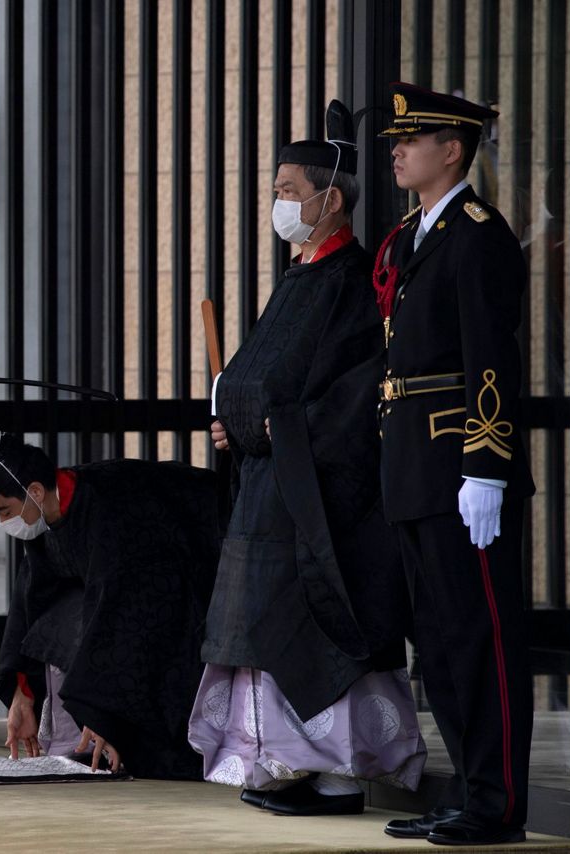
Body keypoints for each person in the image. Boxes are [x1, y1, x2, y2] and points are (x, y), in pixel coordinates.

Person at [188, 101, 424, 817]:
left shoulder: (350, 283)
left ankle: (339, 775)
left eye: (289, 190)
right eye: (277, 191)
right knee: (264, 627)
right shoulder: (298, 276)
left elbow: (347, 399)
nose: (279, 203)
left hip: (319, 498)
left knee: (317, 623)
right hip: (270, 489)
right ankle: (284, 766)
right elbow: (259, 377)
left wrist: (263, 424)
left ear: (331, 198)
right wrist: (235, 424)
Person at [373, 82, 535, 846]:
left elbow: (489, 359)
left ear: (453, 150)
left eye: (412, 140)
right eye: (396, 143)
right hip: (412, 465)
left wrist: (488, 465)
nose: (398, 151)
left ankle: (496, 804)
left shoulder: (477, 235)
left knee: (480, 639)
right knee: (436, 646)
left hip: (460, 469)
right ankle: (467, 792)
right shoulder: (413, 236)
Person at [0, 427, 220, 780]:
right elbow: (30, 600)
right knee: (55, 622)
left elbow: (120, 608)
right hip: (130, 589)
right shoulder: (42, 518)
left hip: (191, 564)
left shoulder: (106, 507)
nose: (5, 523)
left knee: (108, 632)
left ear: (34, 491)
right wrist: (21, 692)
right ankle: (77, 741)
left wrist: (102, 713)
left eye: (5, 511)